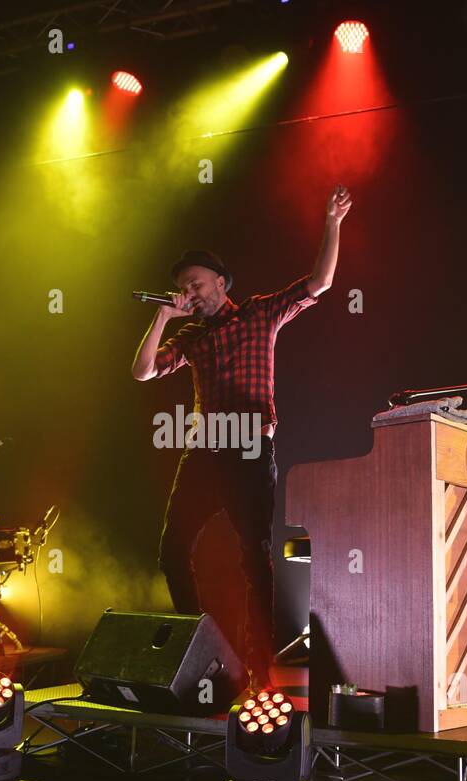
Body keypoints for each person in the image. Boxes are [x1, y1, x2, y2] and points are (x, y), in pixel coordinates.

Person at [131, 185, 353, 688]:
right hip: (206, 448)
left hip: (250, 445)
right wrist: (163, 316)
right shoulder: (190, 336)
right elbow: (143, 372)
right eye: (183, 288)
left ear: (221, 283)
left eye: (196, 284)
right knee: (172, 551)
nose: (190, 293)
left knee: (254, 554)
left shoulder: (257, 313)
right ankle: (200, 651)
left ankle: (258, 669)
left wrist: (332, 222)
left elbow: (319, 283)